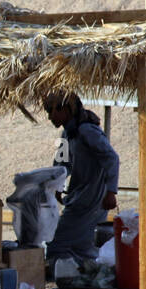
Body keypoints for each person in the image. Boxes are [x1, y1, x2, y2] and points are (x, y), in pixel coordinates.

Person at [43, 91, 119, 265]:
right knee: (81, 247)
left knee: (58, 244)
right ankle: (89, 276)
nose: (50, 117)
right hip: (78, 197)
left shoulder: (87, 131)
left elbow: (112, 158)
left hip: (91, 199)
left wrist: (111, 191)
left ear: (66, 110)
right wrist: (56, 186)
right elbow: (61, 163)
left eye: (52, 111)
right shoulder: (66, 134)